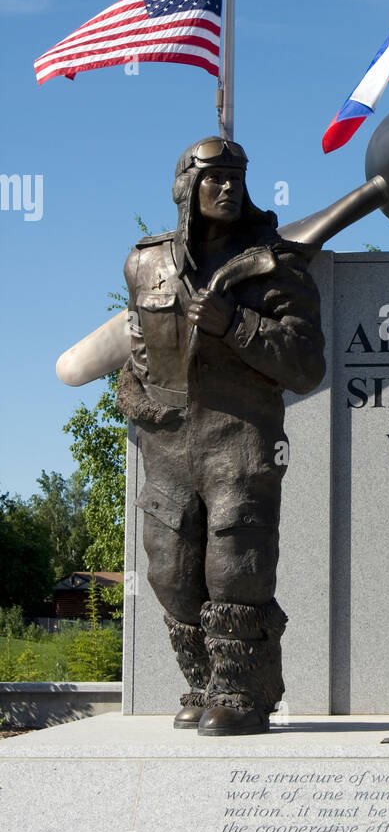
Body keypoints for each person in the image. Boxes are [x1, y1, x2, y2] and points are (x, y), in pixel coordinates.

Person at [117, 137, 325, 735]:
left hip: (241, 434)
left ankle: (242, 692)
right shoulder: (144, 263)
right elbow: (138, 348)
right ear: (186, 186)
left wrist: (236, 324)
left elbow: (308, 366)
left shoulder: (278, 263)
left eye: (237, 176)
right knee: (169, 570)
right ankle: (202, 682)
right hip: (168, 439)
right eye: (215, 177)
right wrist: (133, 396)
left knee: (238, 565)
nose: (229, 187)